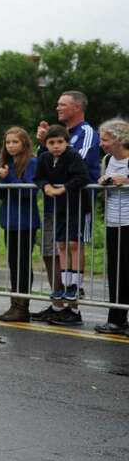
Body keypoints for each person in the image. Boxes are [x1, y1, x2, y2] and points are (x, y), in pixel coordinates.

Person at [33, 91, 100, 318]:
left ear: (77, 107)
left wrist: (59, 185)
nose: (57, 108)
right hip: (54, 201)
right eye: (57, 104)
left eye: (62, 104)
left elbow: (77, 164)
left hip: (76, 201)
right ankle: (58, 304)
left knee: (73, 245)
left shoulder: (86, 132)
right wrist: (47, 184)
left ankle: (73, 306)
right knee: (53, 249)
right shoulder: (58, 134)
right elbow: (43, 165)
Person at [35, 125, 90, 327]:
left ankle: (76, 285)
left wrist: (63, 189)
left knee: (74, 243)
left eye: (60, 142)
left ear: (67, 142)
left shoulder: (73, 156)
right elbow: (38, 177)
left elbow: (82, 177)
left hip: (76, 206)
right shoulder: (44, 158)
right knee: (61, 245)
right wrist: (46, 186)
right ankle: (65, 285)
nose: (56, 146)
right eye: (51, 142)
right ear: (46, 144)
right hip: (58, 208)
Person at [0, 127, 40, 323]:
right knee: (13, 264)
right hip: (10, 221)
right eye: (8, 142)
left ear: (24, 143)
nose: (11, 146)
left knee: (22, 265)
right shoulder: (7, 163)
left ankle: (22, 307)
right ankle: (15, 305)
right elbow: (2, 194)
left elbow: (28, 192)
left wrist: (9, 178)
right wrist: (1, 178)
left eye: (15, 142)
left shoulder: (32, 162)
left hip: (26, 221)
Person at [95, 119, 129, 335]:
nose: (102, 144)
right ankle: (116, 319)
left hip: (128, 221)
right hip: (113, 221)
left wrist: (124, 180)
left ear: (119, 139)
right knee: (116, 271)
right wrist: (103, 181)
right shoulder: (107, 159)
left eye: (105, 139)